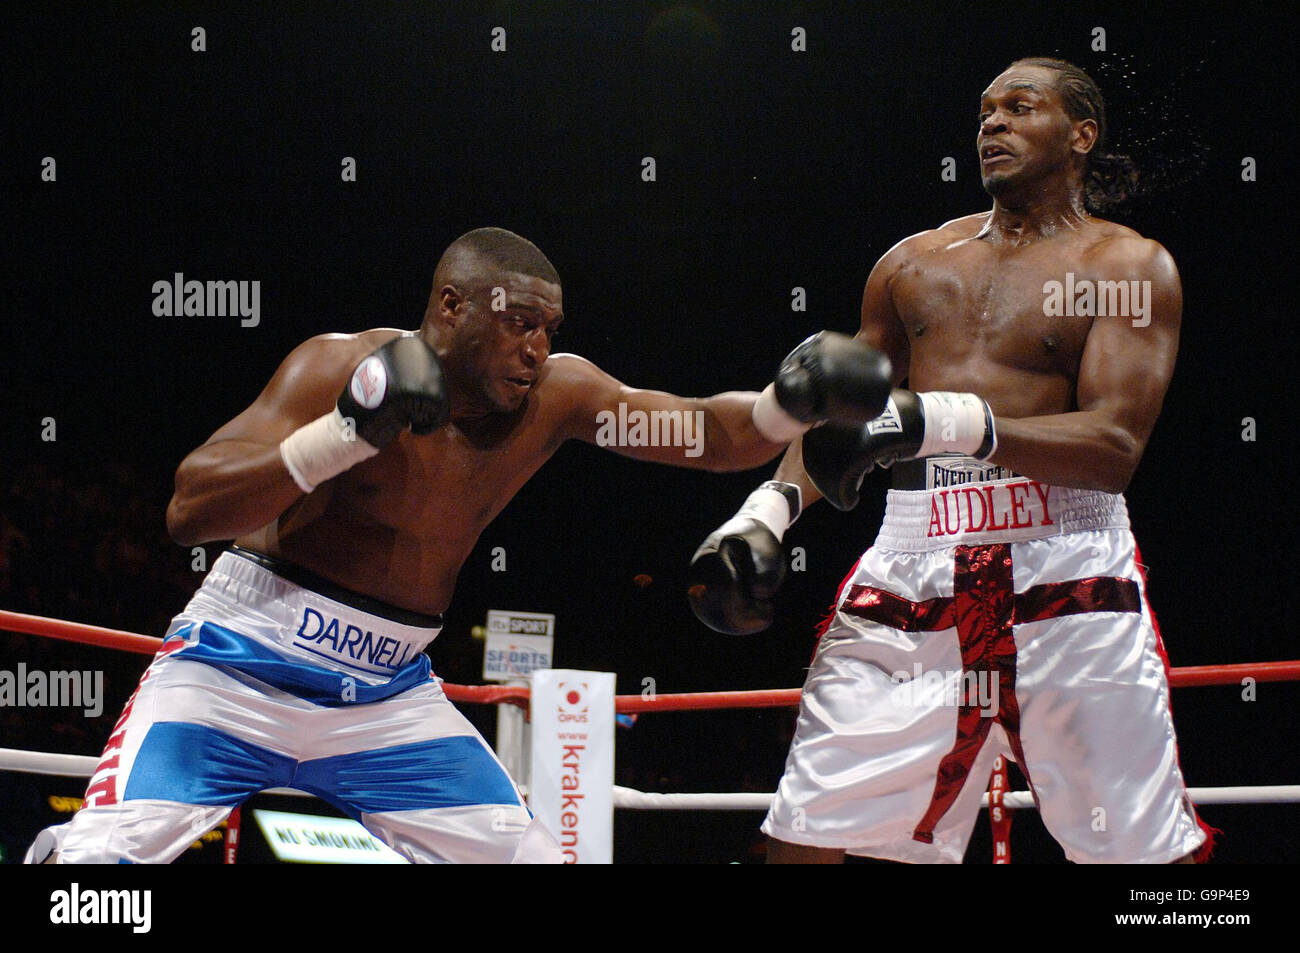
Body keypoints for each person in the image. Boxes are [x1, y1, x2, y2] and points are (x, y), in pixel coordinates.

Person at [25, 227, 890, 864]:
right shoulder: (340, 365)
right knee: (98, 873)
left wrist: (787, 405)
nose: (538, 347)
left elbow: (701, 431)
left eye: (551, 328)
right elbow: (189, 508)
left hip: (385, 697)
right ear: (452, 305)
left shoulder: (558, 396)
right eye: (521, 324)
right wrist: (346, 433)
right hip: (236, 666)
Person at [689, 58, 1214, 864]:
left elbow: (1114, 447)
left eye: (1019, 107)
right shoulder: (913, 265)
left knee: (1144, 859)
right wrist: (766, 513)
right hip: (914, 560)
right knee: (802, 836)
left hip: (1068, 565)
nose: (992, 124)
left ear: (1082, 134)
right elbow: (842, 415)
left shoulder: (1126, 267)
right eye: (983, 113)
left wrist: (941, 418)